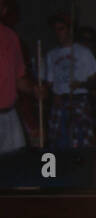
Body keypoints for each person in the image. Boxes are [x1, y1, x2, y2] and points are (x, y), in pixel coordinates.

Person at [40, 14, 96, 150]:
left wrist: (81, 84)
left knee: (81, 143)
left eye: (61, 29)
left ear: (70, 30)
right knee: (58, 143)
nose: (58, 33)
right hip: (60, 103)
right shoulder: (51, 54)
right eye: (55, 30)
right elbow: (49, 83)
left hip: (78, 101)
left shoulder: (84, 52)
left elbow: (95, 81)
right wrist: (45, 92)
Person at [0, 0, 35, 154]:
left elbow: (19, 79)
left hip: (9, 114)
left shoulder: (10, 36)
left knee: (15, 164)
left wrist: (35, 89)